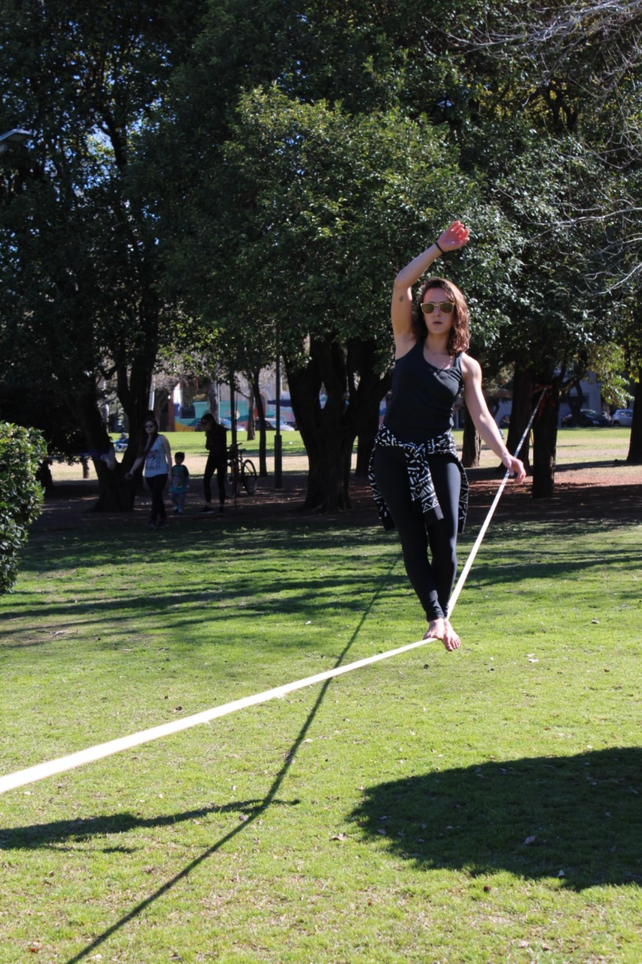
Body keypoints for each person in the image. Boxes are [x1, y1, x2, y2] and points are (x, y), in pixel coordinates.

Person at [370, 220, 526, 652]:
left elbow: (481, 416)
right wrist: (438, 248)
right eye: (429, 306)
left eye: (444, 306)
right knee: (413, 537)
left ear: (456, 311)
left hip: (439, 453)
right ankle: (436, 617)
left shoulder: (466, 365)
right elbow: (403, 281)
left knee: (445, 531)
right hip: (394, 454)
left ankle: (443, 616)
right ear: (421, 312)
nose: (435, 312)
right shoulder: (405, 343)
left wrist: (507, 455)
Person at [125, 414, 172, 528]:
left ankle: (152, 520)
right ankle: (164, 519)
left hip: (161, 472)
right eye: (146, 427)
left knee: (155, 494)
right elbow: (140, 458)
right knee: (157, 496)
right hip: (149, 473)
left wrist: (170, 472)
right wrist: (131, 471)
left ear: (156, 426)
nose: (148, 428)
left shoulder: (162, 439)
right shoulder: (144, 441)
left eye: (151, 426)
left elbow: (169, 456)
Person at [200, 413, 227, 514]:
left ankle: (221, 505)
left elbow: (218, 444)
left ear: (210, 421)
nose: (204, 426)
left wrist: (211, 441)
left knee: (220, 482)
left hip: (220, 457)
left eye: (205, 423)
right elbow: (208, 445)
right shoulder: (209, 432)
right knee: (206, 480)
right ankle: (208, 504)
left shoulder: (220, 430)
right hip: (212, 457)